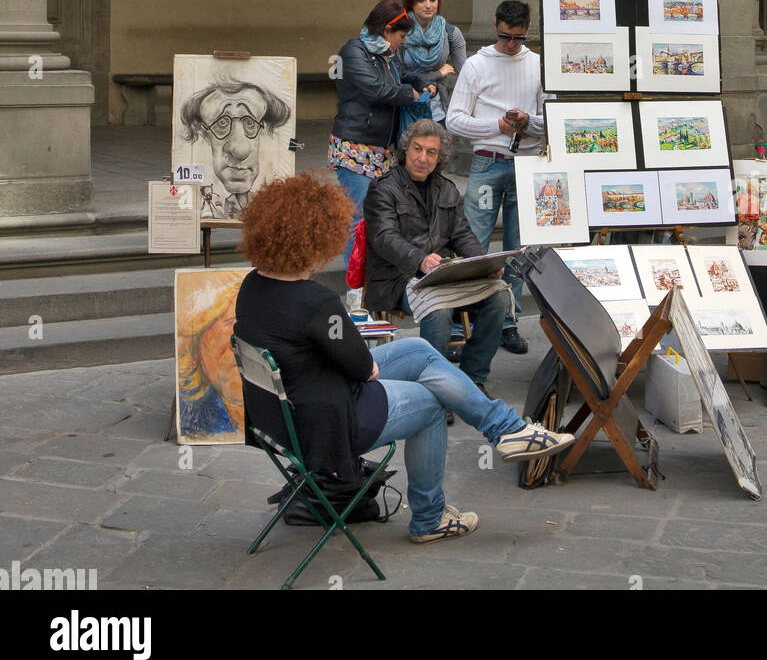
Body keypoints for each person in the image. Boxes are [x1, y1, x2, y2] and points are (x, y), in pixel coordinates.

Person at [233, 173, 575, 544]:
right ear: (316, 240)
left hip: (281, 417)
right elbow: (366, 369)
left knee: (419, 350)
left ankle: (505, 430)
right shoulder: (319, 304)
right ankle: (429, 519)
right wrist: (361, 361)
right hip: (326, 423)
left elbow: (337, 356)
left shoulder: (251, 286)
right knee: (430, 404)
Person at [364, 119, 509, 391]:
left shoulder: (447, 189)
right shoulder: (383, 188)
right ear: (405, 150)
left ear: (439, 157)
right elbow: (384, 238)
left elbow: (462, 234)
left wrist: (482, 263)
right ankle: (437, 388)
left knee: (498, 294)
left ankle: (471, 380)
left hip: (442, 274)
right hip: (396, 278)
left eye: (431, 152)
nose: (423, 158)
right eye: (417, 149)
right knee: (439, 308)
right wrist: (420, 258)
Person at [446, 0, 548, 355]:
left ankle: (508, 322)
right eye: (505, 37)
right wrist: (497, 125)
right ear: (495, 25)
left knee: (519, 249)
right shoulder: (476, 65)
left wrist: (527, 122)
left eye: (518, 38)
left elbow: (553, 121)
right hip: (488, 162)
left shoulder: (537, 64)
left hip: (527, 163)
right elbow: (454, 120)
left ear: (527, 30)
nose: (511, 45)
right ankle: (468, 322)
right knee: (475, 247)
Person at [328, 1, 437, 257]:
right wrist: (409, 95)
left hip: (382, 152)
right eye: (401, 36)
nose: (403, 42)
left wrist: (423, 83)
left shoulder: (387, 55)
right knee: (359, 220)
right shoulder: (353, 52)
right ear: (387, 31)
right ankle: (355, 291)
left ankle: (374, 284)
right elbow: (376, 88)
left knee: (381, 218)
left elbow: (405, 74)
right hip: (354, 148)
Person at [179, 77, 292, 218]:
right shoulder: (199, 204)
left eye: (250, 123)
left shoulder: (269, 203)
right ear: (203, 133)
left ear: (263, 130)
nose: (241, 151)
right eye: (222, 124)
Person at [396, 0, 467, 130]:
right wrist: (438, 74)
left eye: (433, 0)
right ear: (411, 1)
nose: (428, 5)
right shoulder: (399, 32)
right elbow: (397, 76)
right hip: (404, 110)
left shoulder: (450, 33)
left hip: (438, 111)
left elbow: (466, 75)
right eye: (421, 0)